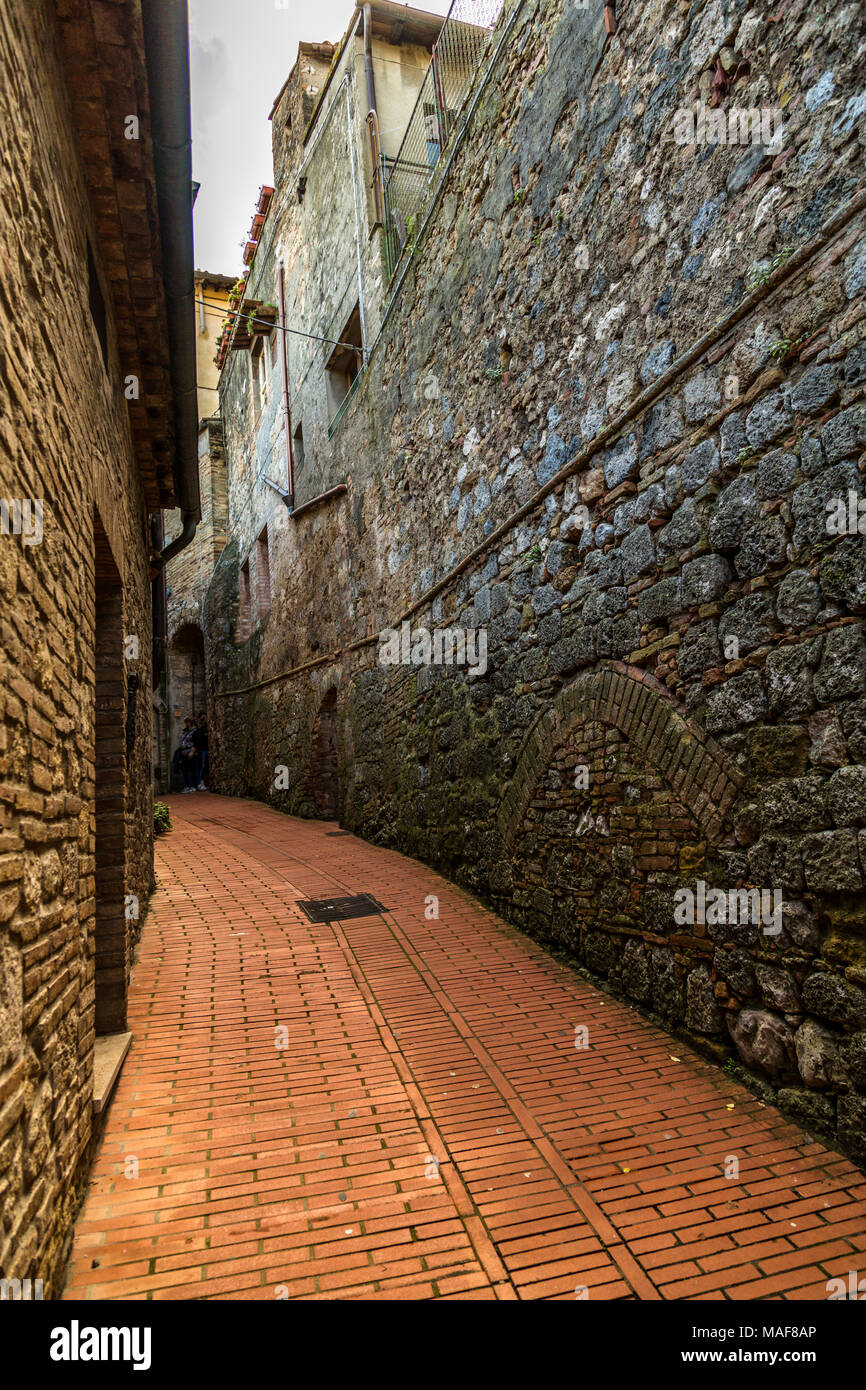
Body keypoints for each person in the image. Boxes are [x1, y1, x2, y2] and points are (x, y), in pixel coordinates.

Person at [179, 718, 199, 792]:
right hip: (184, 754)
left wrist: (192, 752)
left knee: (191, 770)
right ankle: (187, 786)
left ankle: (192, 786)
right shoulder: (186, 731)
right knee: (185, 770)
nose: (186, 724)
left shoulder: (195, 732)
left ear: (190, 723)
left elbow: (196, 743)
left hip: (190, 753)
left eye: (187, 722)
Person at [193, 713, 209, 791]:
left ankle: (205, 783)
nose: (204, 721)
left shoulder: (207, 728)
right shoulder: (198, 731)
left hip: (207, 750)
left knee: (207, 767)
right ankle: (200, 783)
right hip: (201, 751)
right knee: (201, 767)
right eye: (202, 719)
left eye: (205, 719)